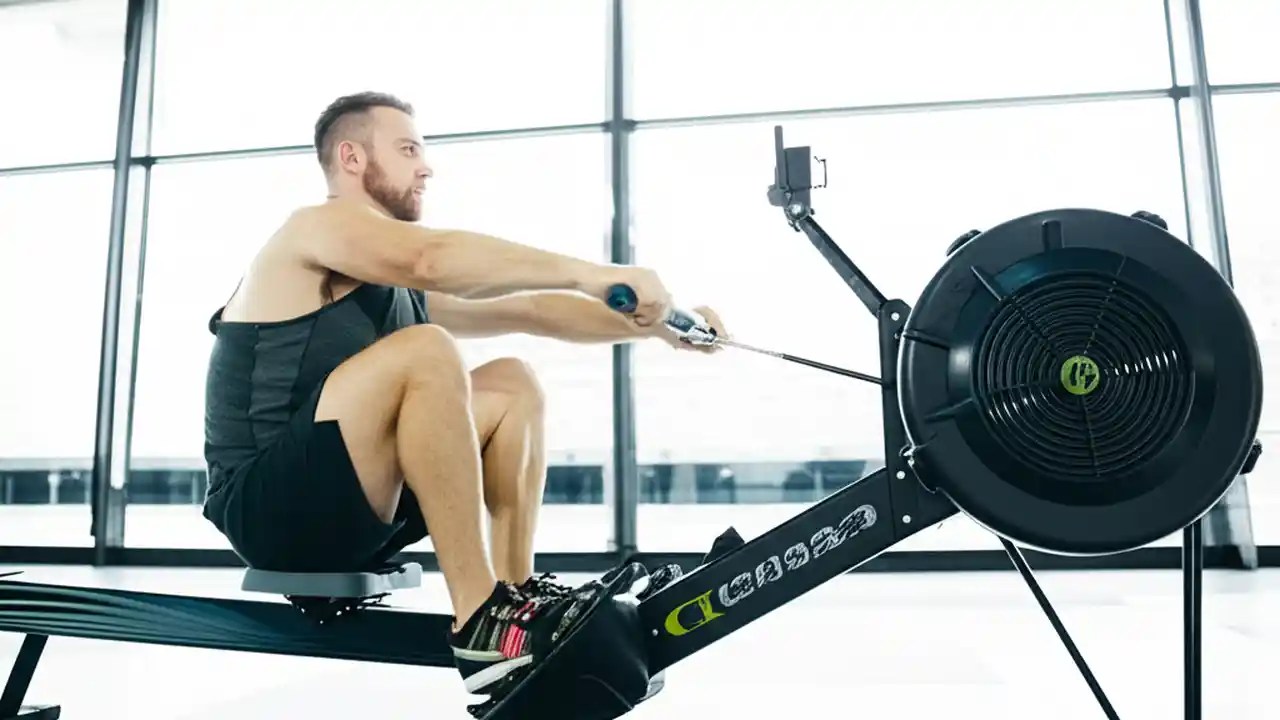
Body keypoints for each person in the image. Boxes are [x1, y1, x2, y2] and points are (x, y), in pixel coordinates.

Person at [199, 91, 728, 701]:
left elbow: (530, 309)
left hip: (348, 498)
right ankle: (480, 620)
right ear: (350, 157)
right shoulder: (311, 230)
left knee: (511, 384)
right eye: (406, 150)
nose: (426, 167)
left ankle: (514, 599)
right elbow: (430, 258)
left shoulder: (392, 281)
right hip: (267, 507)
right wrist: (593, 271)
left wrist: (663, 329)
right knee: (427, 351)